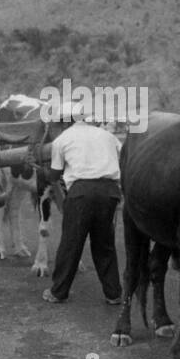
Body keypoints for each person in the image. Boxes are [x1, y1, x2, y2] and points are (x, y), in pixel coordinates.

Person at [41, 102, 123, 306]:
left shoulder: (63, 139)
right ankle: (113, 294)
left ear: (66, 121)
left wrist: (40, 167)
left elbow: (53, 175)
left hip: (81, 194)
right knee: (104, 244)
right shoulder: (108, 136)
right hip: (110, 193)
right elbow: (122, 159)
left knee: (71, 243)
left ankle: (58, 292)